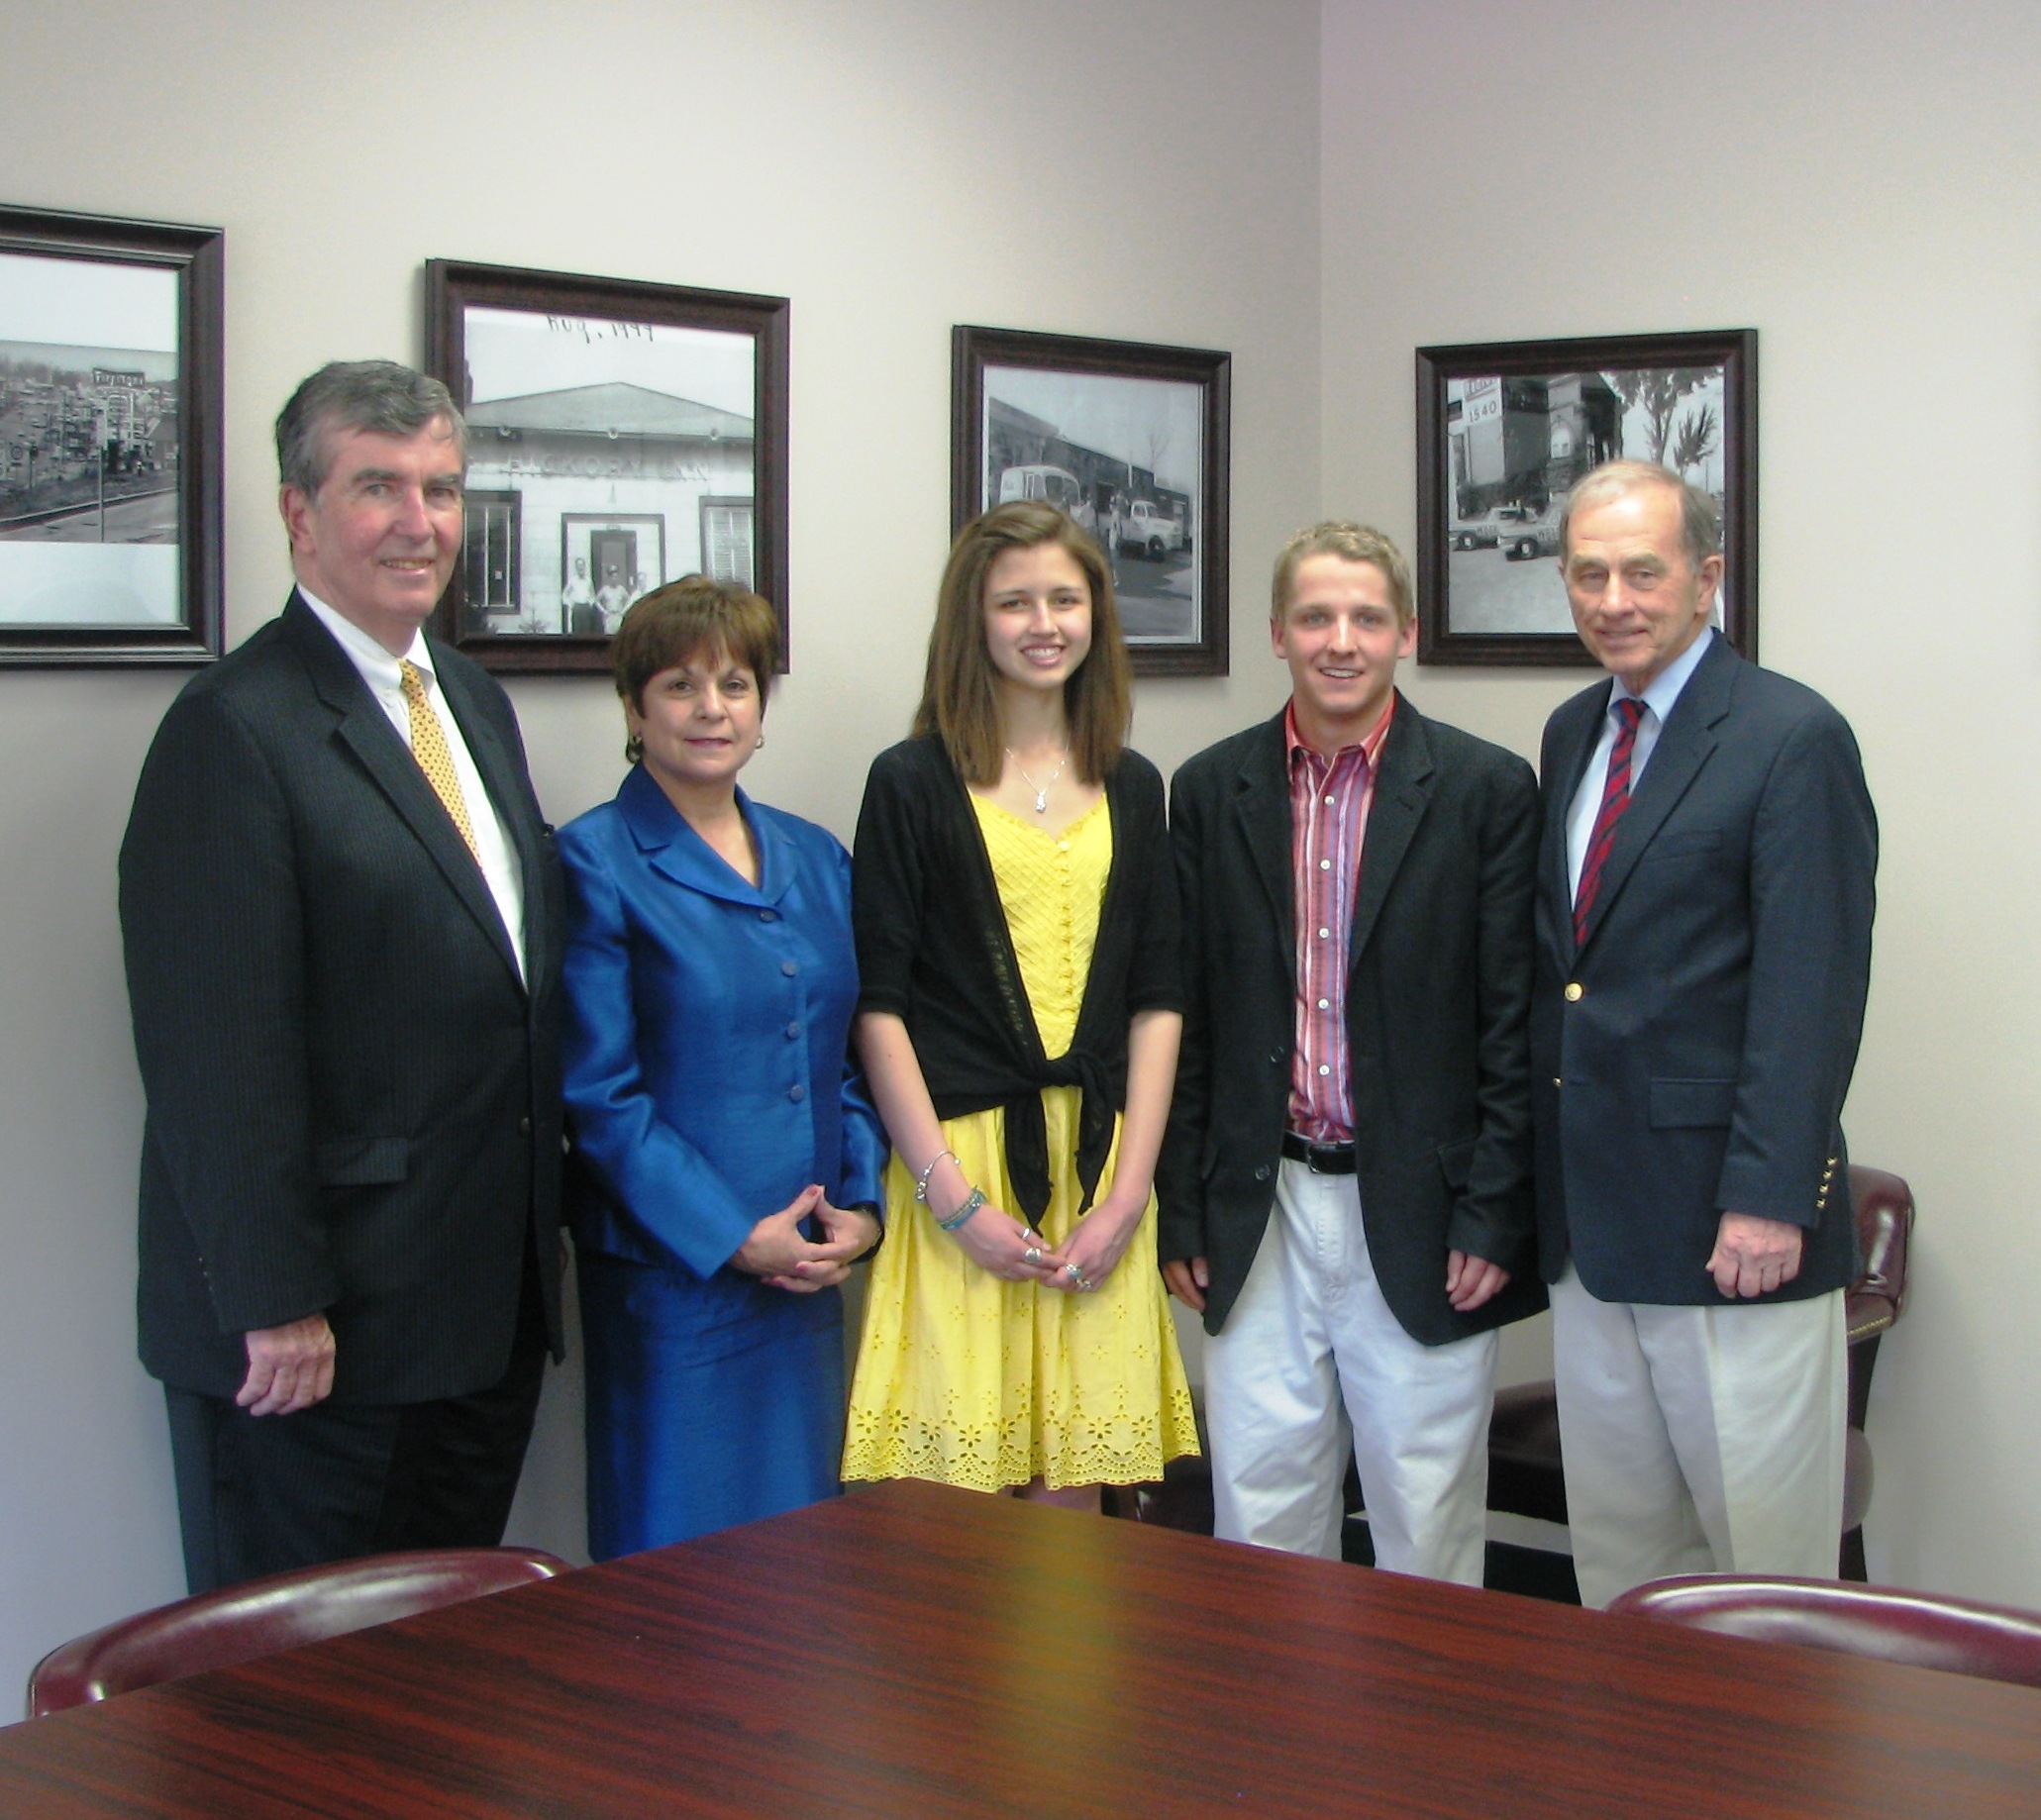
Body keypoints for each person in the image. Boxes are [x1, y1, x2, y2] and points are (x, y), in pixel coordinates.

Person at [119, 360, 565, 1594]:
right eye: (379, 485)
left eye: (442, 487)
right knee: (288, 1721)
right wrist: (276, 1300)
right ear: (298, 511)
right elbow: (214, 1051)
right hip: (318, 1338)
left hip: (473, 1315)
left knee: (434, 1689)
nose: (419, 522)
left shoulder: (466, 696)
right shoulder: (234, 728)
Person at [1158, 523, 1543, 1580]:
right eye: (1317, 616)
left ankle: (1423, 1748)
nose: (1341, 640)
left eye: (1367, 617)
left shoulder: (1485, 791)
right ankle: (1282, 1744)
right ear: (1276, 631)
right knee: (1262, 1510)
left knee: (1426, 1515)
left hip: (1423, 1210)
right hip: (1260, 1201)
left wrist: (1496, 1205)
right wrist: (1181, 1211)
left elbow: (1513, 1023)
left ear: (1405, 633)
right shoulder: (1207, 791)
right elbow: (1183, 1018)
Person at [1533, 459, 1877, 1608]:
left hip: (1735, 1233)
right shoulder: (1574, 730)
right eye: (1589, 573)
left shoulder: (1790, 736)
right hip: (1595, 1229)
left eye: (1643, 570)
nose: (1613, 599)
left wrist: (1771, 1195)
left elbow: (1810, 985)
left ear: (1708, 578)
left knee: (1764, 1585)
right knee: (1625, 1572)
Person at [842, 500, 1197, 1506]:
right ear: (974, 620)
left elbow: (1157, 1000)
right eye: (1014, 602)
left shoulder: (1133, 783)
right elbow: (881, 1006)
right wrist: (953, 1198)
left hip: (1097, 1172)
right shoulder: (910, 781)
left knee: (1074, 1513)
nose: (1044, 622)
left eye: (1065, 598)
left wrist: (1129, 1198)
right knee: (948, 1509)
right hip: (961, 1166)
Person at [559, 577, 886, 1557]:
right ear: (633, 707)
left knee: (801, 1571)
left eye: (736, 685)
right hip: (675, 1286)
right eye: (679, 685)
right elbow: (599, 1096)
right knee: (680, 1576)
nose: (712, 709)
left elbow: (845, 1058)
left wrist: (862, 1207)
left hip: (804, 1282)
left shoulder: (816, 854)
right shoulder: (594, 858)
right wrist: (731, 1234)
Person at [561, 556, 597, 634]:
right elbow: (564, 594)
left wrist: (590, 604)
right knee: (577, 630)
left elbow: (593, 595)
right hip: (577, 608)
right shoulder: (572, 580)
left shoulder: (588, 580)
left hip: (586, 608)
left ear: (584, 567)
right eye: (578, 566)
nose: (580, 568)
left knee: (587, 630)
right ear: (576, 568)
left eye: (582, 565)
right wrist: (571, 604)